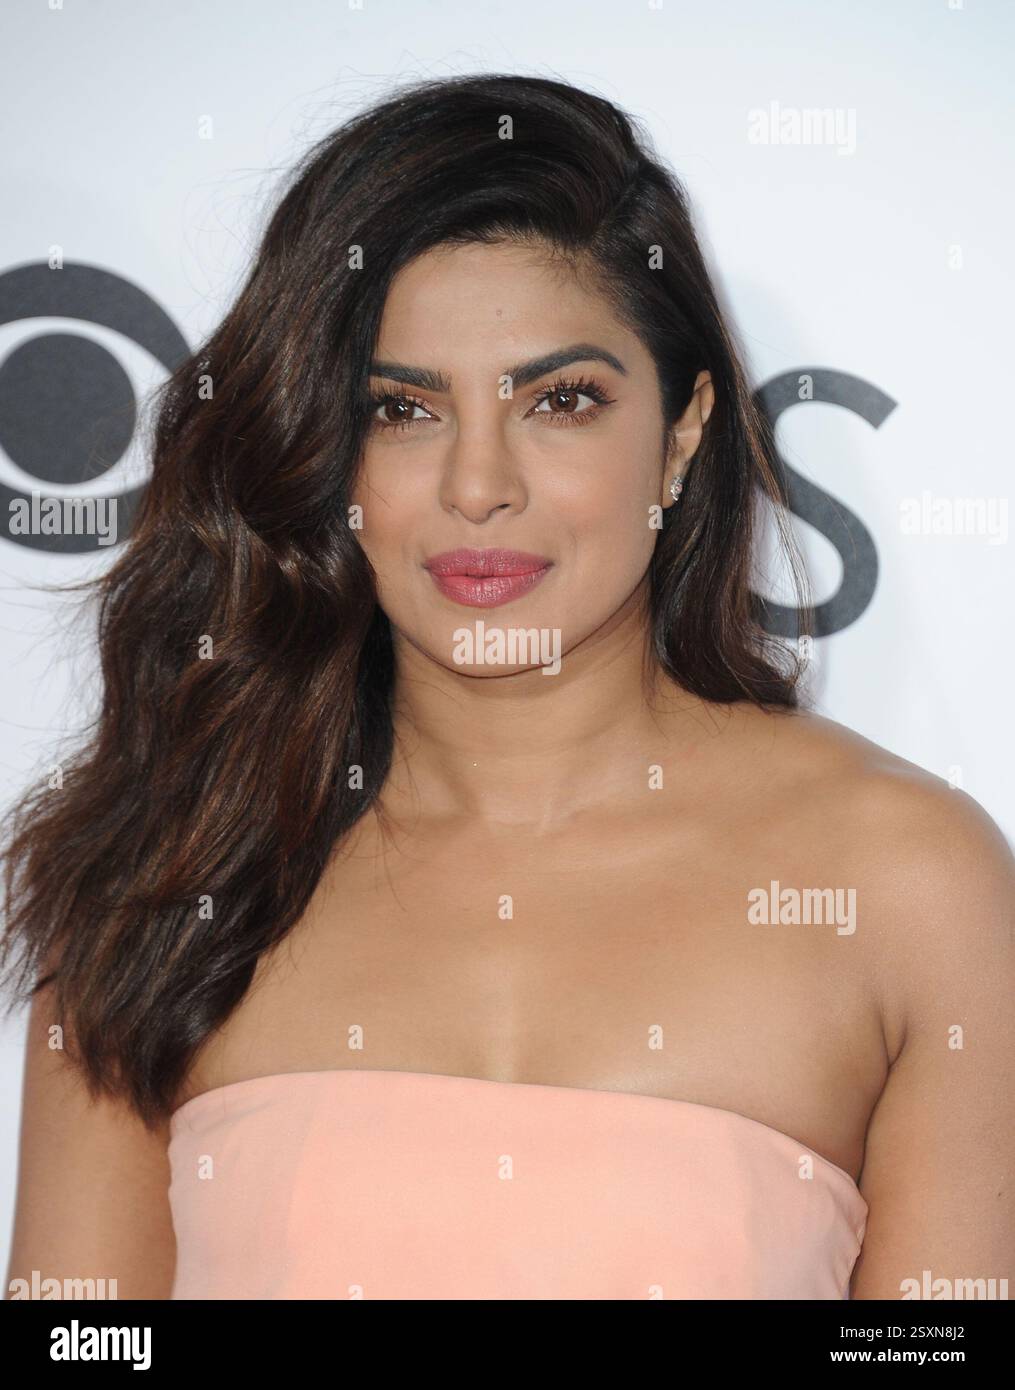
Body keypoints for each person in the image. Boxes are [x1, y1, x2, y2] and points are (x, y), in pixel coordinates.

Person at [3, 73, 1013, 1302]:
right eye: (402, 408)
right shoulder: (172, 862)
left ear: (685, 430)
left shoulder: (906, 882)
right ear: (324, 440)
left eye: (561, 400)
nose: (479, 485)